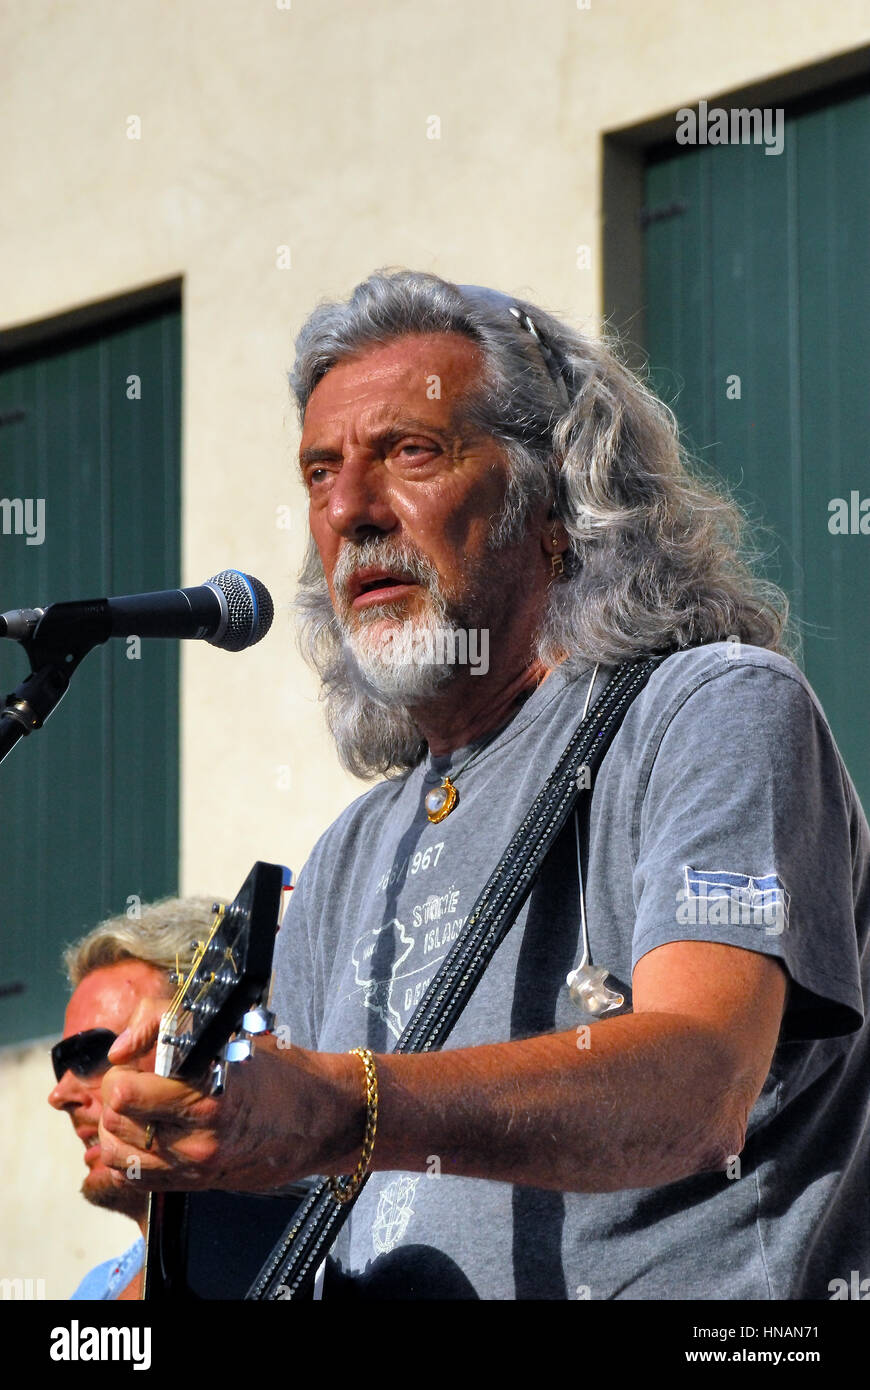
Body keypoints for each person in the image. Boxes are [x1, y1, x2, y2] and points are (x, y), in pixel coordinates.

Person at [99, 270, 870, 1300]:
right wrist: (198, 1133)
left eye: (410, 452)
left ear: (556, 494)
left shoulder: (710, 709)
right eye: (320, 473)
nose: (351, 512)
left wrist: (341, 1103)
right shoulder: (347, 854)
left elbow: (702, 1083)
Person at [48, 897, 217, 1299]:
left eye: (93, 1053)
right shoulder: (94, 1291)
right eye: (62, 1062)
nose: (59, 1094)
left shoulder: (334, 1251)